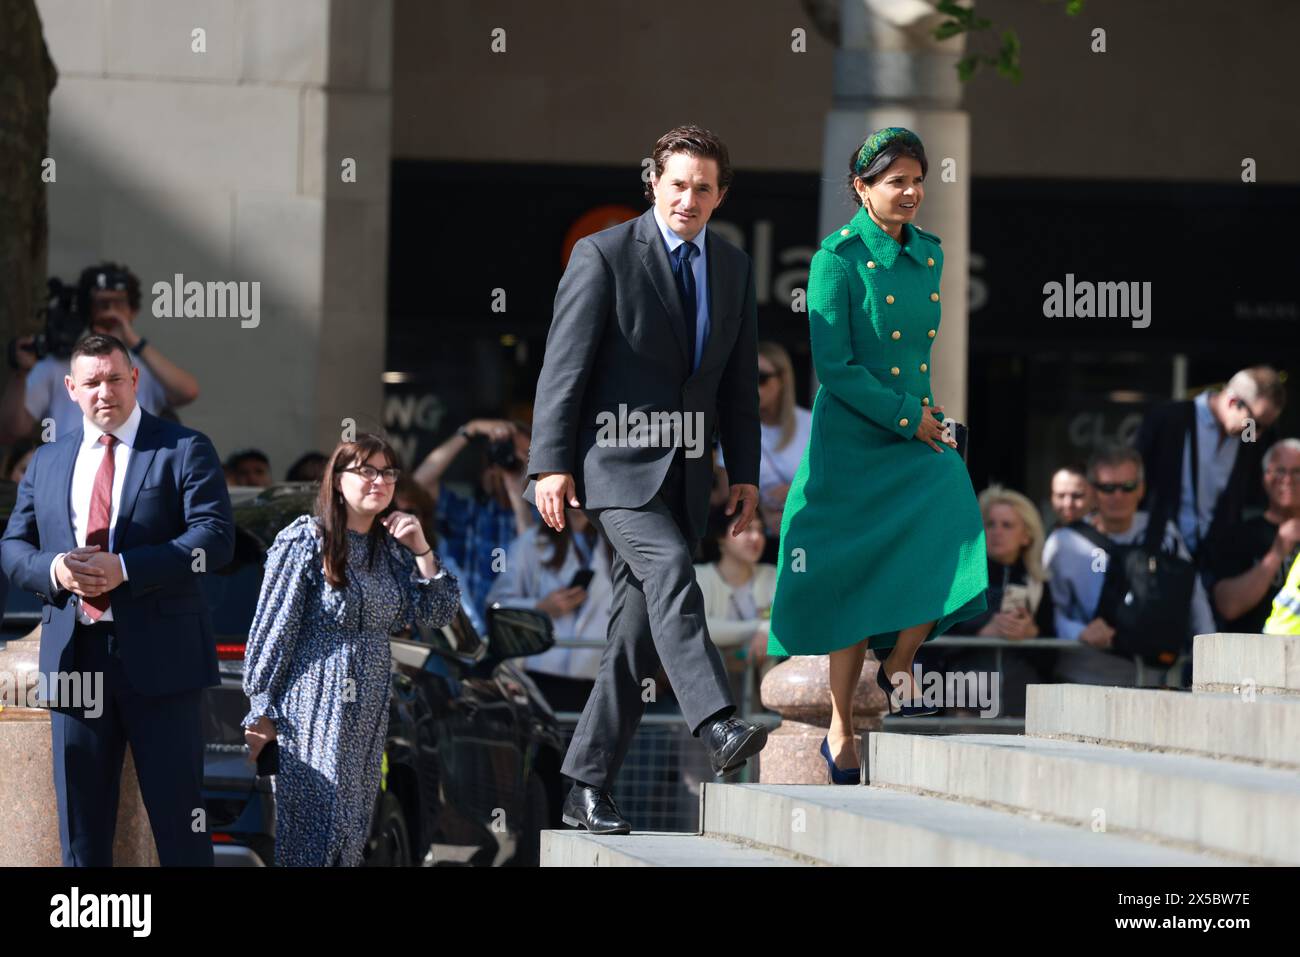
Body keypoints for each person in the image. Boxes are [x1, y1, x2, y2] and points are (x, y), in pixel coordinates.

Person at [524, 124, 768, 834]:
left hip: (691, 475)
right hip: (615, 466)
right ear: (653, 182)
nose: (688, 198)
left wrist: (744, 474)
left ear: (720, 194)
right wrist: (550, 462)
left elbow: (739, 387)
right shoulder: (602, 254)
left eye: (702, 187)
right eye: (677, 183)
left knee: (633, 640)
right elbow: (562, 367)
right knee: (670, 572)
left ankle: (584, 783)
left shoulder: (733, 267)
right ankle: (719, 720)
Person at [767, 127, 989, 783]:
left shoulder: (932, 253)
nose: (912, 192)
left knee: (955, 521)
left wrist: (928, 416)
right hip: (855, 437)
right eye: (897, 181)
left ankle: (898, 662)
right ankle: (839, 728)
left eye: (919, 179)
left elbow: (914, 353)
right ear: (862, 188)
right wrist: (904, 416)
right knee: (851, 578)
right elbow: (834, 366)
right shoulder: (833, 259)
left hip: (917, 426)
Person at [0, 334, 234, 865]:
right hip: (75, 658)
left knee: (179, 826)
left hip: (163, 661)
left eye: (113, 379)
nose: (104, 391)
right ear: (71, 389)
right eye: (91, 382)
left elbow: (215, 538)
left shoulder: (182, 447)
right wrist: (56, 569)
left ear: (133, 380)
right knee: (81, 832)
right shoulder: (47, 460)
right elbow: (13, 547)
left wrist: (125, 569)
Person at [240, 434, 460, 866]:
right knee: (314, 835)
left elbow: (438, 612)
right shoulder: (305, 540)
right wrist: (261, 709)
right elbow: (272, 630)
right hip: (310, 708)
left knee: (350, 837)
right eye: (366, 471)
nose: (379, 481)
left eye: (388, 473)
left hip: (368, 711)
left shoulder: (392, 550)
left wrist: (422, 550)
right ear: (338, 481)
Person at [1042, 443, 1214, 686]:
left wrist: (1211, 658)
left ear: (1141, 489)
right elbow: (1049, 611)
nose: (1118, 496)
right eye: (1108, 488)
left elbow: (1194, 597)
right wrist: (1079, 632)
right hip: (1082, 679)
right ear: (1092, 491)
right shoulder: (1063, 542)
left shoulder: (1164, 532)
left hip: (1151, 678)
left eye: (1127, 486)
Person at [0, 262, 199, 443]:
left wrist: (134, 341)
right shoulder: (60, 363)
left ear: (133, 310)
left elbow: (188, 392)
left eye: (118, 303)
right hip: (72, 469)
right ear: (88, 309)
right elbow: (14, 428)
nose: (110, 312)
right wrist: (21, 373)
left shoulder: (146, 364)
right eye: (102, 304)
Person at [929, 485, 1056, 717]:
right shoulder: (960, 579)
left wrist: (1031, 635)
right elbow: (930, 644)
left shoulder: (1038, 583)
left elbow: (1055, 656)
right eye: (990, 524)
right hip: (966, 706)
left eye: (1007, 525)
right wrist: (981, 635)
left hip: (1024, 709)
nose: (997, 531)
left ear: (1026, 535)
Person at [1135, 367, 1284, 563]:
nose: (1256, 434)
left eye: (1265, 427)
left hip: (1215, 561)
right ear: (1233, 402)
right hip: (1160, 554)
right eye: (1256, 423)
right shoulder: (1168, 419)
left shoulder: (1248, 439)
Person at [486, 507, 614, 712]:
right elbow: (496, 606)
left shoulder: (617, 543)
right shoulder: (529, 543)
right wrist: (541, 607)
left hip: (597, 678)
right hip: (541, 676)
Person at [413, 417, 536, 621]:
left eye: (527, 456)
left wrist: (515, 488)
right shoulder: (470, 513)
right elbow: (419, 486)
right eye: (509, 453)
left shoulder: (544, 515)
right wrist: (470, 429)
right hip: (467, 635)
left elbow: (532, 556)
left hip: (517, 633)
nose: (517, 461)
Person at [716, 341, 812, 560]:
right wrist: (762, 516)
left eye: (761, 378)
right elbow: (726, 499)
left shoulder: (811, 424)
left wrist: (795, 491)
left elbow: (835, 484)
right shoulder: (734, 430)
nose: (751, 386)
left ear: (783, 379)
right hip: (755, 541)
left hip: (806, 533)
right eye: (745, 378)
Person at [1206, 438, 1300, 633]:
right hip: (1251, 654)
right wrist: (1277, 552)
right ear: (1265, 478)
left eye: (1297, 472)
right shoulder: (1240, 535)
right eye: (1280, 470)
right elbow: (1228, 606)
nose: (1288, 479)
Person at [694, 503, 777, 710]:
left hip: (758, 696)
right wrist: (760, 628)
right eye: (746, 529)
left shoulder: (771, 575)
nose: (756, 538)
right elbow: (700, 629)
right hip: (706, 696)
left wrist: (767, 629)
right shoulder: (699, 575)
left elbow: (787, 620)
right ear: (721, 536)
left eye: (760, 530)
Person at [1048, 462, 1095, 530]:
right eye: (1060, 496)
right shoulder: (1051, 535)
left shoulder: (1108, 536)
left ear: (1095, 497)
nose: (1068, 504)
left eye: (1077, 496)